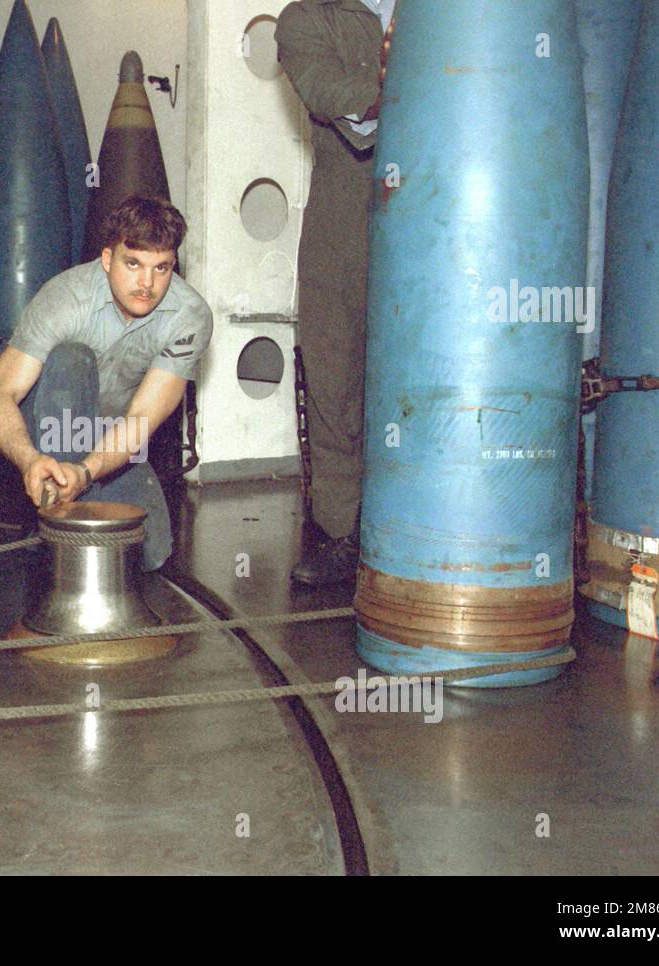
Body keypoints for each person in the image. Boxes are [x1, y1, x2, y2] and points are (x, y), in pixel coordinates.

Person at [0, 196, 213, 571]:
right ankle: (52, 512)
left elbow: (141, 419)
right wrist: (30, 460)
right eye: (132, 263)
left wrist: (85, 472)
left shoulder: (190, 317)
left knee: (150, 554)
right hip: (49, 428)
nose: (147, 283)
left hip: (109, 436)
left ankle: (72, 494)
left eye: (161, 268)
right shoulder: (66, 298)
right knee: (73, 357)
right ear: (107, 259)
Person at [276, 0, 394, 587]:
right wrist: (410, 81)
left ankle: (409, 529)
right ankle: (341, 533)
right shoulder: (306, 19)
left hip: (444, 221)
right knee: (334, 375)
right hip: (345, 224)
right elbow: (329, 91)